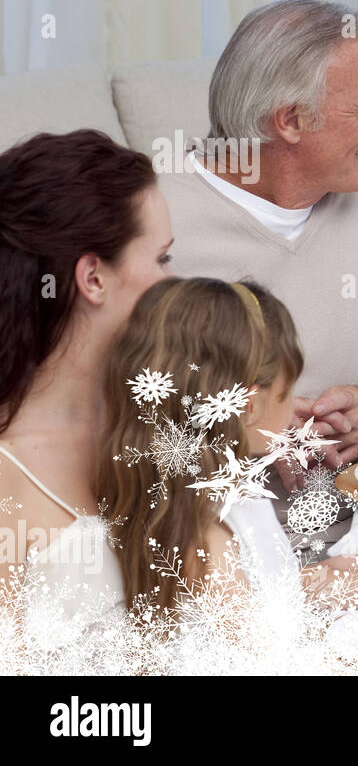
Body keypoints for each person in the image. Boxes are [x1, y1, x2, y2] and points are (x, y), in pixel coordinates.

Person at [160, 0, 358, 476]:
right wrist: (240, 429)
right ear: (290, 121)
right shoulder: (149, 219)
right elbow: (104, 417)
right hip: (215, 530)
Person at [94, 277, 358, 611]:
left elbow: (279, 589)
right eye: (286, 392)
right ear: (249, 408)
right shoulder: (207, 536)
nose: (298, 405)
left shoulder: (219, 492)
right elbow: (267, 650)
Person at [0, 130, 173, 616]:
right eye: (162, 258)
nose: (175, 282)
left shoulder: (154, 414)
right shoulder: (8, 481)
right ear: (93, 278)